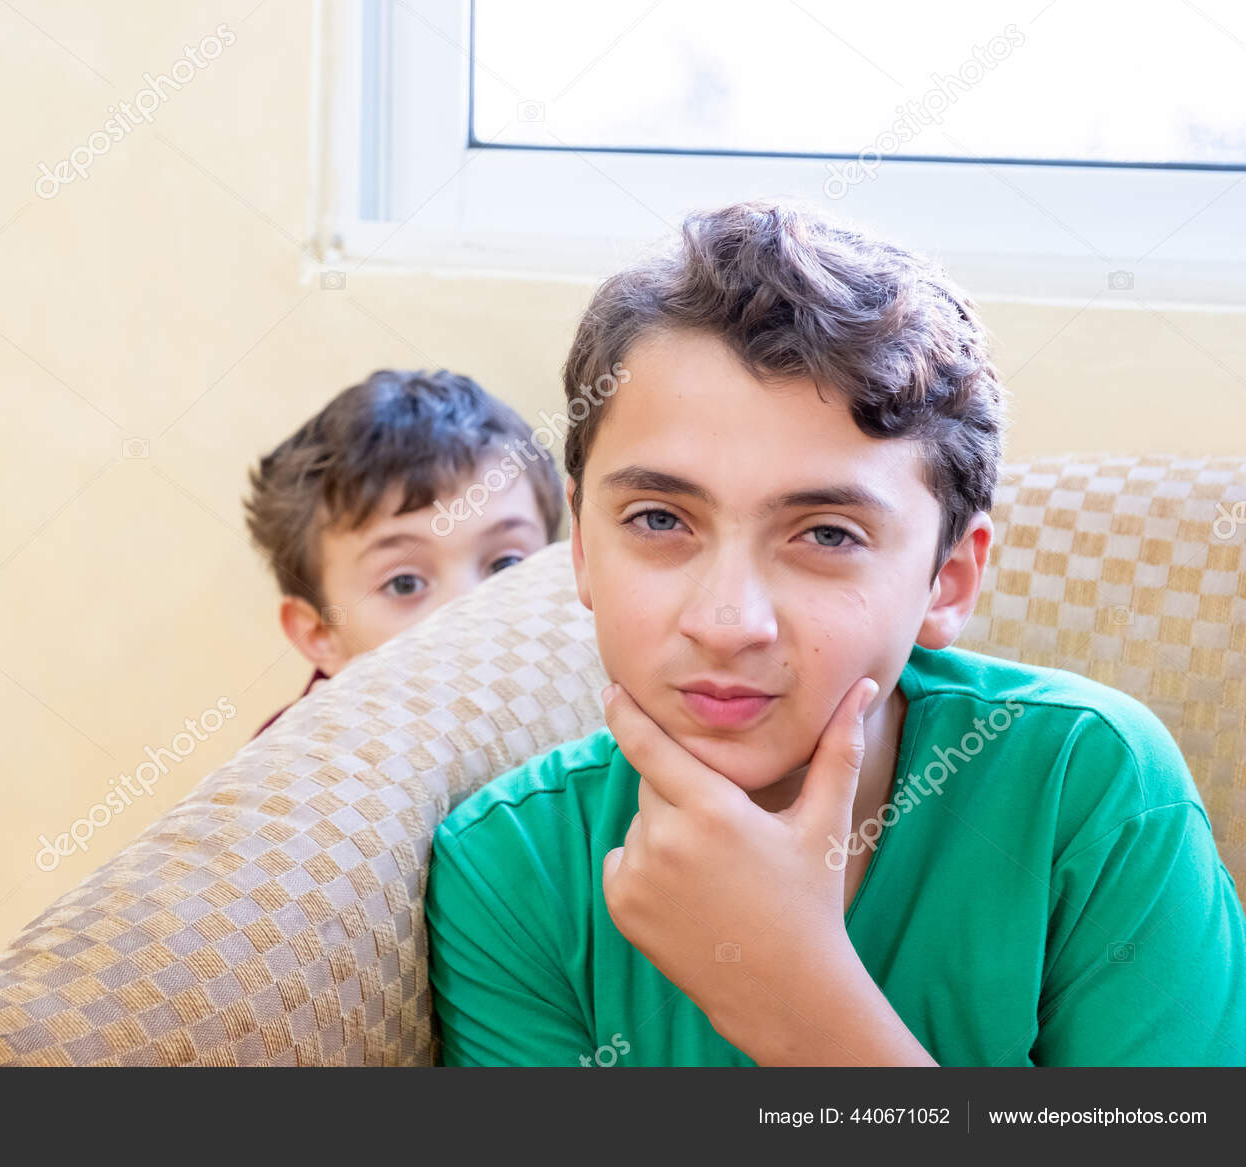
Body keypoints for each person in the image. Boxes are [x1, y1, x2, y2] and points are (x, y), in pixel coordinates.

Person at [426, 200, 1246, 1066]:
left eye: (825, 535)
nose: (727, 622)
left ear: (948, 579)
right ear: (584, 549)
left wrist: (802, 998)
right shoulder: (508, 871)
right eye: (661, 518)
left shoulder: (1091, 787)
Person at [244, 369, 564, 737]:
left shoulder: (607, 699)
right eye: (405, 584)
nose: (470, 612)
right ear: (319, 635)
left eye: (507, 564)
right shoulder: (295, 765)